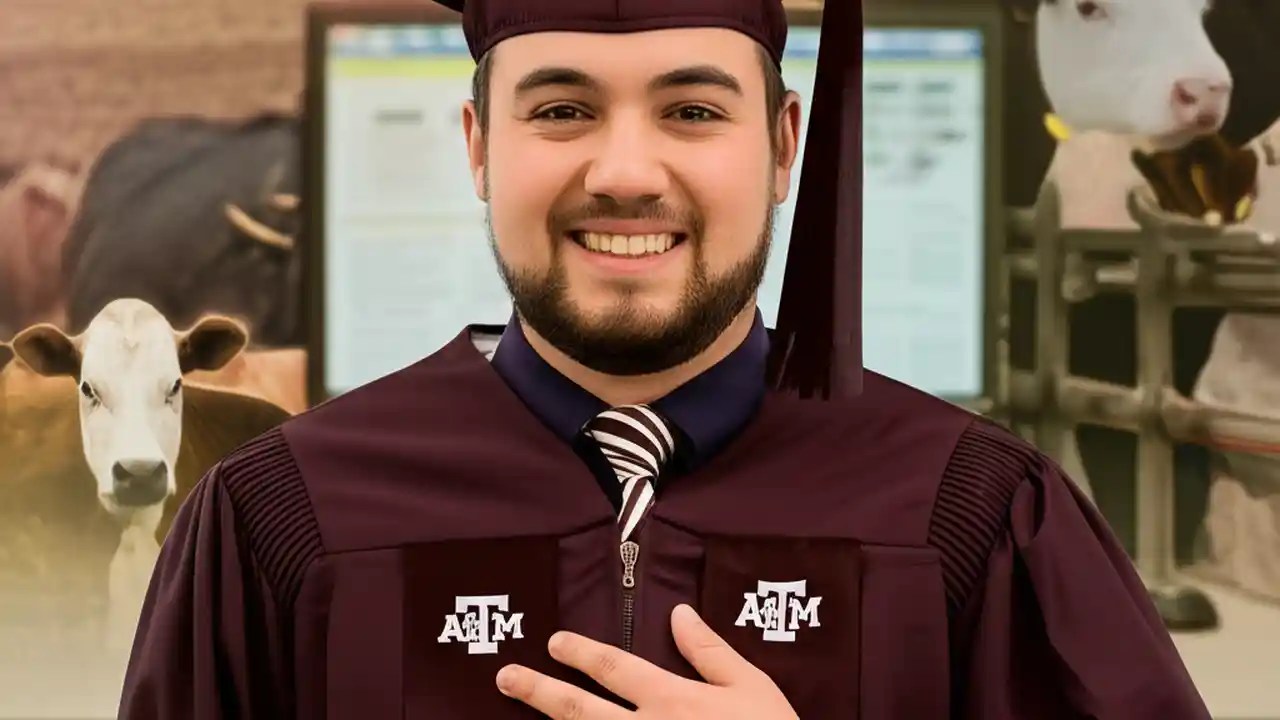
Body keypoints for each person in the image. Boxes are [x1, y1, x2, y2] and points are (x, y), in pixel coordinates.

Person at [117, 0, 1212, 717]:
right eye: (560, 110)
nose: (626, 171)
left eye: (691, 109)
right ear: (477, 148)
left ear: (783, 146)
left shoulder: (973, 515)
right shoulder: (279, 520)